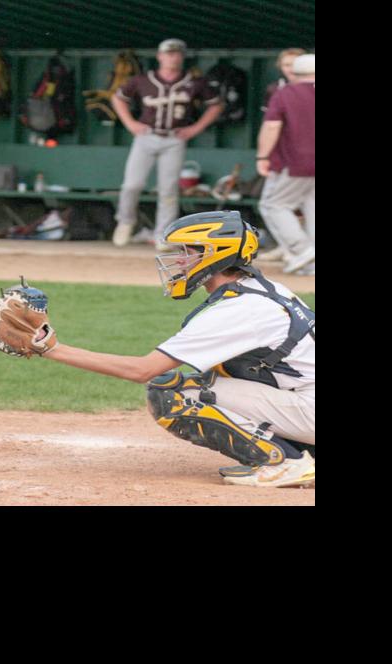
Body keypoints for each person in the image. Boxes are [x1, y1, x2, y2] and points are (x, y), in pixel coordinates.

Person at [22, 211, 314, 488]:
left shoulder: (238, 309)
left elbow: (143, 370)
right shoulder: (262, 289)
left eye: (188, 252)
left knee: (171, 392)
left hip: (308, 408)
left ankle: (283, 462)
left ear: (215, 254)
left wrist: (52, 349)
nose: (178, 260)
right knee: (215, 372)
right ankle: (304, 454)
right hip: (305, 402)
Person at [110, 38, 224, 249]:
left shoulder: (194, 81)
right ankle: (125, 221)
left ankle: (163, 233)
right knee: (132, 184)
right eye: (169, 53)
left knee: (168, 189)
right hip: (146, 135)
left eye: (177, 54)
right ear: (160, 56)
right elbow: (118, 98)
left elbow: (216, 105)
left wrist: (195, 128)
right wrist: (129, 123)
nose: (173, 57)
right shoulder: (143, 79)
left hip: (174, 138)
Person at [255, 54, 315, 275]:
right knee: (312, 205)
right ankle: (310, 263)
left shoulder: (286, 93)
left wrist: (263, 156)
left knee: (274, 205)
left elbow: (271, 126)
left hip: (298, 160)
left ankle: (302, 249)